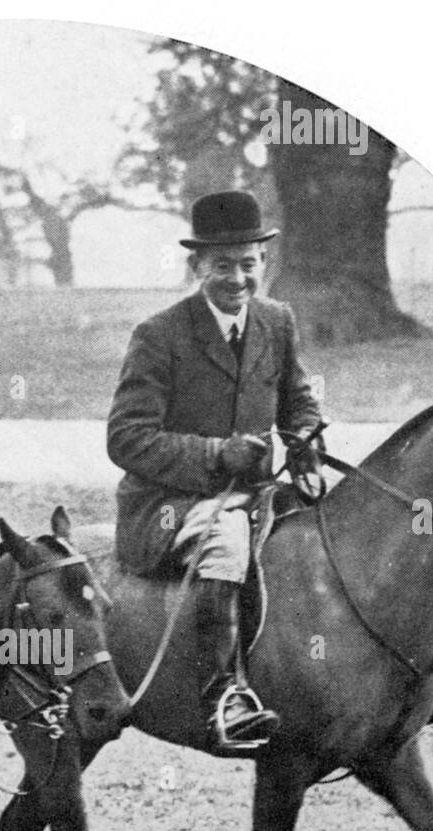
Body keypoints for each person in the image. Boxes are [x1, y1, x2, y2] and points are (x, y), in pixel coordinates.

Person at [107, 190, 323, 753]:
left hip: (257, 490)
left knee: (324, 533)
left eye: (247, 265)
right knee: (226, 541)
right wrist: (214, 455)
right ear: (197, 267)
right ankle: (224, 696)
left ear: (263, 265)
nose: (236, 278)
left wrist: (302, 443)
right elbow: (125, 438)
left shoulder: (277, 322)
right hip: (167, 502)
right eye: (222, 266)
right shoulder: (160, 336)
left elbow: (299, 402)